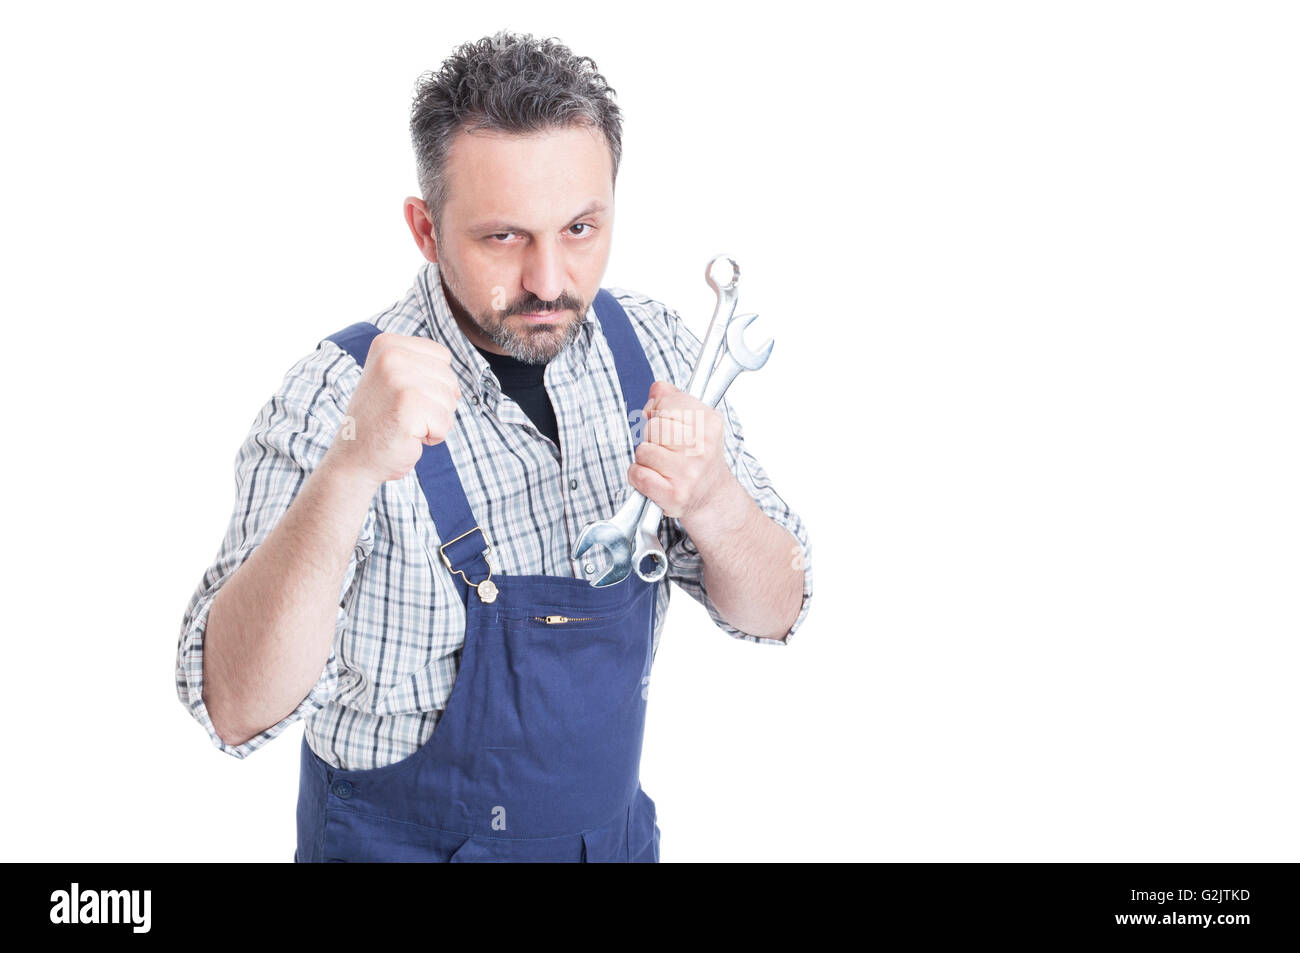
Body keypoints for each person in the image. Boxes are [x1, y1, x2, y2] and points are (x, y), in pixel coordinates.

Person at [175, 29, 814, 863]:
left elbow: (779, 611)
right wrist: (349, 468)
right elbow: (233, 705)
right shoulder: (333, 397)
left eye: (581, 228)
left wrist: (714, 500)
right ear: (426, 227)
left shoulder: (655, 350)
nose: (550, 280)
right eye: (504, 237)